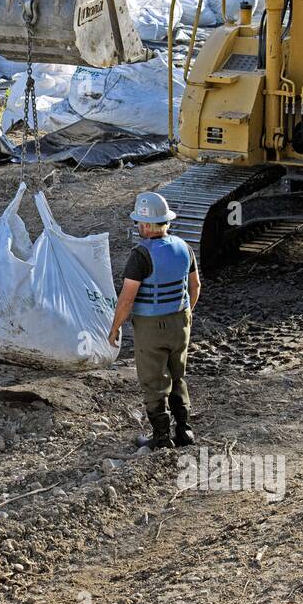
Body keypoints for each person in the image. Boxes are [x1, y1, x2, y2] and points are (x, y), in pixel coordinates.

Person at [107, 191, 200, 449]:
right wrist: (186, 314)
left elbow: (126, 300)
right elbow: (195, 286)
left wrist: (115, 328)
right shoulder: (184, 247)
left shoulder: (141, 255)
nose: (137, 226)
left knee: (154, 381)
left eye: (138, 222)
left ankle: (161, 438)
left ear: (146, 225)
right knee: (177, 375)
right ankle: (185, 432)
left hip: (151, 326)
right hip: (181, 322)